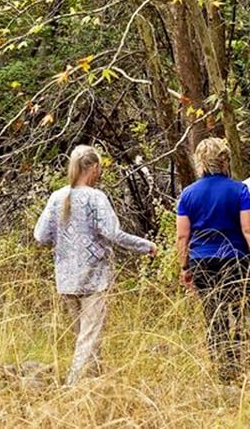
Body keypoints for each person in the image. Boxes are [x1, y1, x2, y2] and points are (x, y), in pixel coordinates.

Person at [34, 144, 156, 385]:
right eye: (99, 168)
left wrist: (63, 241)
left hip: (66, 279)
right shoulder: (96, 198)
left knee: (84, 337)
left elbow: (40, 235)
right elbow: (113, 233)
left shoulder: (57, 197)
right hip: (94, 278)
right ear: (93, 168)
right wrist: (145, 245)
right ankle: (72, 388)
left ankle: (96, 388)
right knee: (88, 339)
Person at [176, 137, 250, 384]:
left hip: (201, 261)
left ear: (201, 162)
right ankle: (240, 362)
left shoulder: (188, 194)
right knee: (240, 311)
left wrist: (184, 267)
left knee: (213, 314)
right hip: (235, 259)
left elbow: (182, 236)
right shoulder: (240, 191)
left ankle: (223, 370)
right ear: (224, 160)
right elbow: (247, 229)